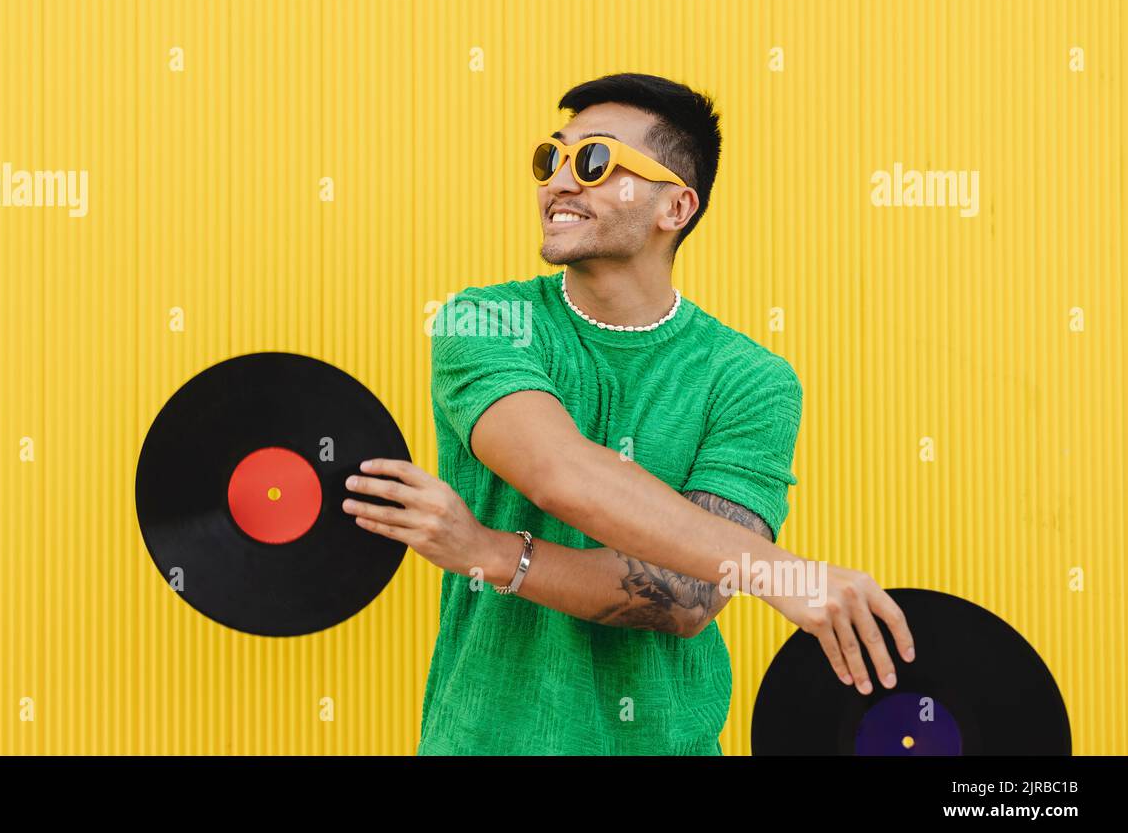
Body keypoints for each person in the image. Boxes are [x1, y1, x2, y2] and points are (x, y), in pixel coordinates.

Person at [343, 72, 914, 755]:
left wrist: (489, 553)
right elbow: (559, 472)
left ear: (675, 207)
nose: (558, 183)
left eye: (594, 162)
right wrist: (780, 573)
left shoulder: (752, 380)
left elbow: (685, 600)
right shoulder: (485, 319)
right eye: (550, 159)